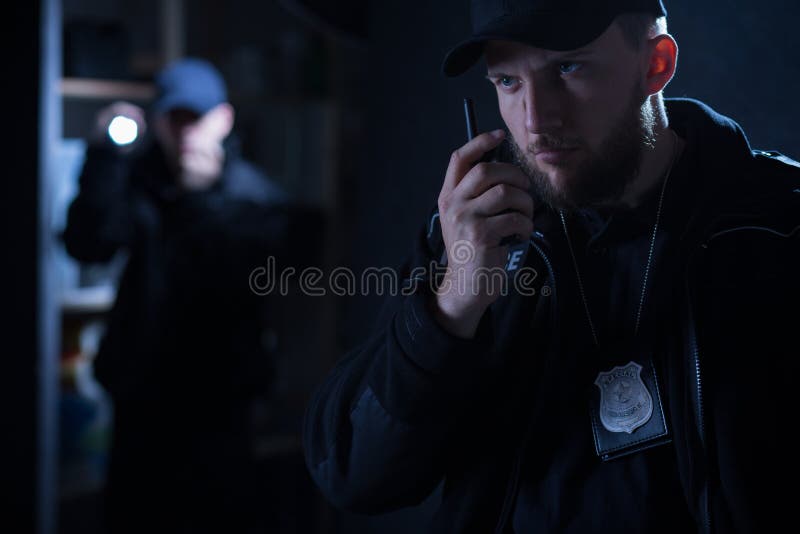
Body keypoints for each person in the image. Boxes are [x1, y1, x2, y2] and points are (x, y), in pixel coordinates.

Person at [302, 1, 800, 532]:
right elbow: (352, 473)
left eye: (569, 67)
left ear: (656, 64)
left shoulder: (776, 225)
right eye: (508, 82)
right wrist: (453, 304)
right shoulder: (476, 234)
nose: (536, 121)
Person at [63, 58, 293, 533]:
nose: (187, 131)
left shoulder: (254, 196)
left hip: (222, 396)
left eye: (198, 117)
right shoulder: (137, 180)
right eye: (175, 117)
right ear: (159, 121)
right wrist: (104, 157)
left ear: (223, 119)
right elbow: (88, 243)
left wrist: (200, 199)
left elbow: (246, 282)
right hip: (141, 390)